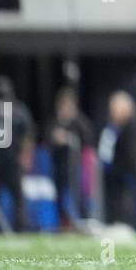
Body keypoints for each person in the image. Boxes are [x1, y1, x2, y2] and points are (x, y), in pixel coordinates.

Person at [0, 76, 35, 232]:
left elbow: (28, 134)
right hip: (2, 160)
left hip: (8, 160)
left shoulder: (17, 110)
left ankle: (16, 226)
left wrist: (26, 155)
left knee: (13, 198)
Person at [47, 87, 94, 227]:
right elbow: (47, 140)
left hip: (75, 166)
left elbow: (88, 139)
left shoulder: (79, 122)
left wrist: (70, 138)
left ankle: (83, 221)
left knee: (79, 195)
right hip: (59, 165)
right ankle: (63, 222)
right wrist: (56, 139)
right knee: (60, 195)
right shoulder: (55, 122)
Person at [99, 91, 136, 227]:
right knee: (112, 201)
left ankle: (124, 225)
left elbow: (131, 153)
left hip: (123, 173)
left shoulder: (129, 128)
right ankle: (114, 223)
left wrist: (130, 170)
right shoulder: (111, 127)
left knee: (123, 202)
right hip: (111, 173)